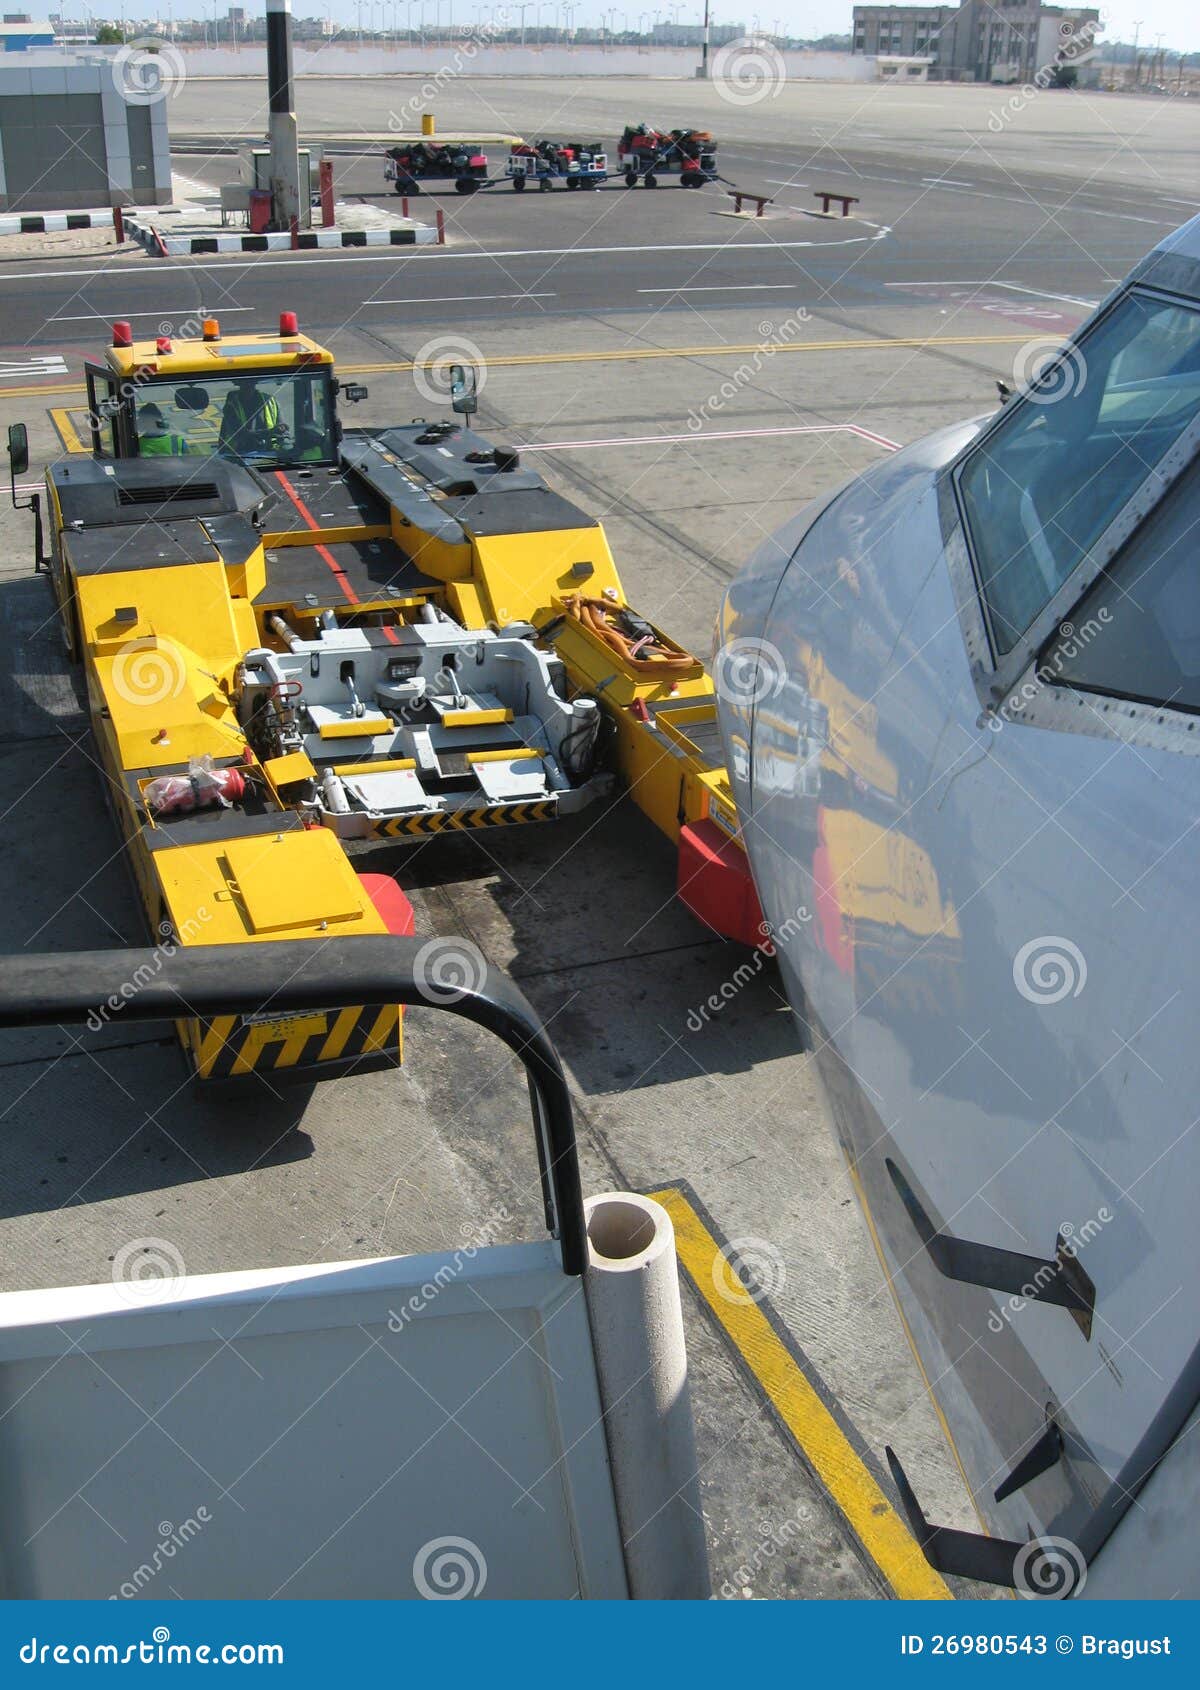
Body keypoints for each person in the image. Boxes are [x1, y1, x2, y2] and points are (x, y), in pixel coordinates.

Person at [219, 381, 286, 458]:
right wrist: (270, 432)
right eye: (245, 383)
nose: (248, 387)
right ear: (239, 385)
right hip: (238, 456)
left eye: (251, 382)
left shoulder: (270, 401)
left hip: (270, 453)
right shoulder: (231, 406)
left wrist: (282, 428)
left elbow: (281, 425)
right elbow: (240, 435)